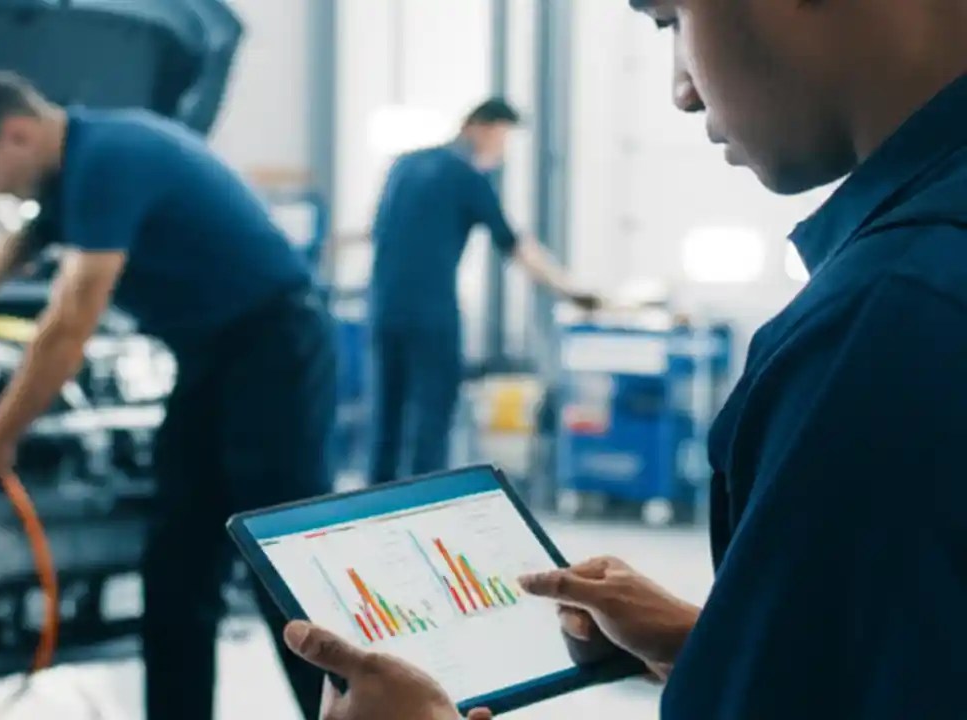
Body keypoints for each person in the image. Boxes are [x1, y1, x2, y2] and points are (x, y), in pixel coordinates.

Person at [285, 0, 967, 717]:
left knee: (397, 448)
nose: (683, 90)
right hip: (427, 319)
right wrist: (720, 646)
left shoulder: (886, 324)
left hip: (390, 313)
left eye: (671, 18)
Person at [0, 70, 333, 720]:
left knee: (280, 554)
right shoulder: (74, 174)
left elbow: (70, 319)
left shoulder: (109, 158)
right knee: (177, 568)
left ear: (18, 133)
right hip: (214, 358)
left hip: (275, 345)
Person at [367, 98, 598, 486]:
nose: (501, 151)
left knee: (386, 418)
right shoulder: (466, 176)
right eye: (502, 139)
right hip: (432, 314)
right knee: (431, 418)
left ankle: (370, 509)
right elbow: (515, 245)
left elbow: (375, 231)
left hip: (384, 309)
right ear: (484, 127)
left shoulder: (403, 165)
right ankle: (422, 512)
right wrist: (570, 290)